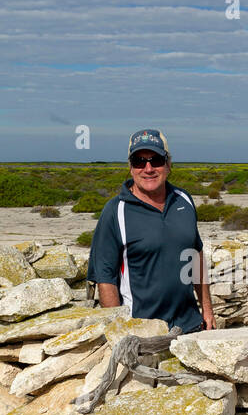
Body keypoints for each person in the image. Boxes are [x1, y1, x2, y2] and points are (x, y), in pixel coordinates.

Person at [88, 129, 215, 333]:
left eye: (156, 160)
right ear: (130, 168)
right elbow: (105, 279)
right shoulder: (115, 211)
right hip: (142, 332)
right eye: (139, 161)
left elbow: (196, 256)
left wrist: (207, 310)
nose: (148, 168)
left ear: (168, 164)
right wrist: (119, 333)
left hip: (191, 327)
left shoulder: (184, 200)